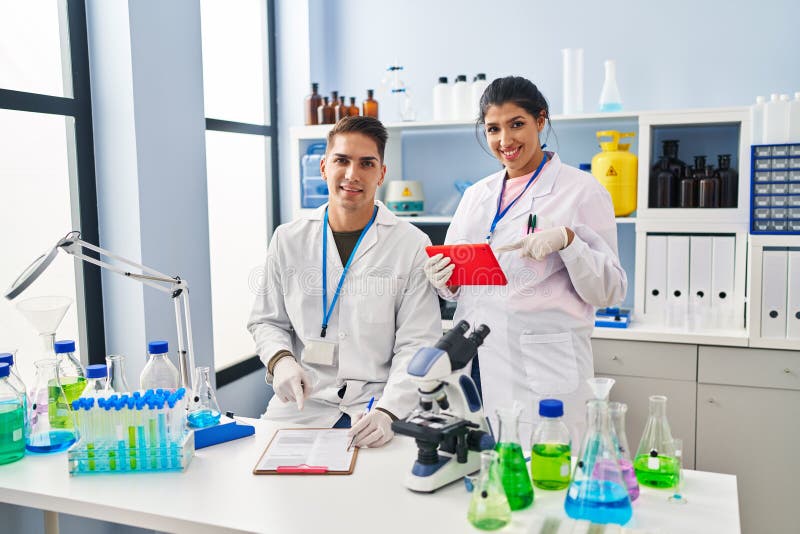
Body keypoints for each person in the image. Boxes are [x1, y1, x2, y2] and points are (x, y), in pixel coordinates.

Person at [424, 76, 627, 443]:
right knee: (483, 476)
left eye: (516, 124)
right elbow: (457, 284)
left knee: (547, 477)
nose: (505, 141)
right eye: (493, 129)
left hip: (543, 366)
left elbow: (610, 290)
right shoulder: (476, 195)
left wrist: (569, 242)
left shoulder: (582, 190)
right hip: (474, 363)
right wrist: (445, 278)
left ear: (540, 120)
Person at [248, 116, 441, 448]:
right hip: (301, 403)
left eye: (366, 163)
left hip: (376, 406)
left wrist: (389, 412)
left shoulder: (411, 244)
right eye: (342, 160)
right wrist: (281, 361)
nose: (353, 174)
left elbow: (417, 344)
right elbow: (266, 321)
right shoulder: (288, 239)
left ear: (381, 173)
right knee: (273, 485)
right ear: (324, 167)